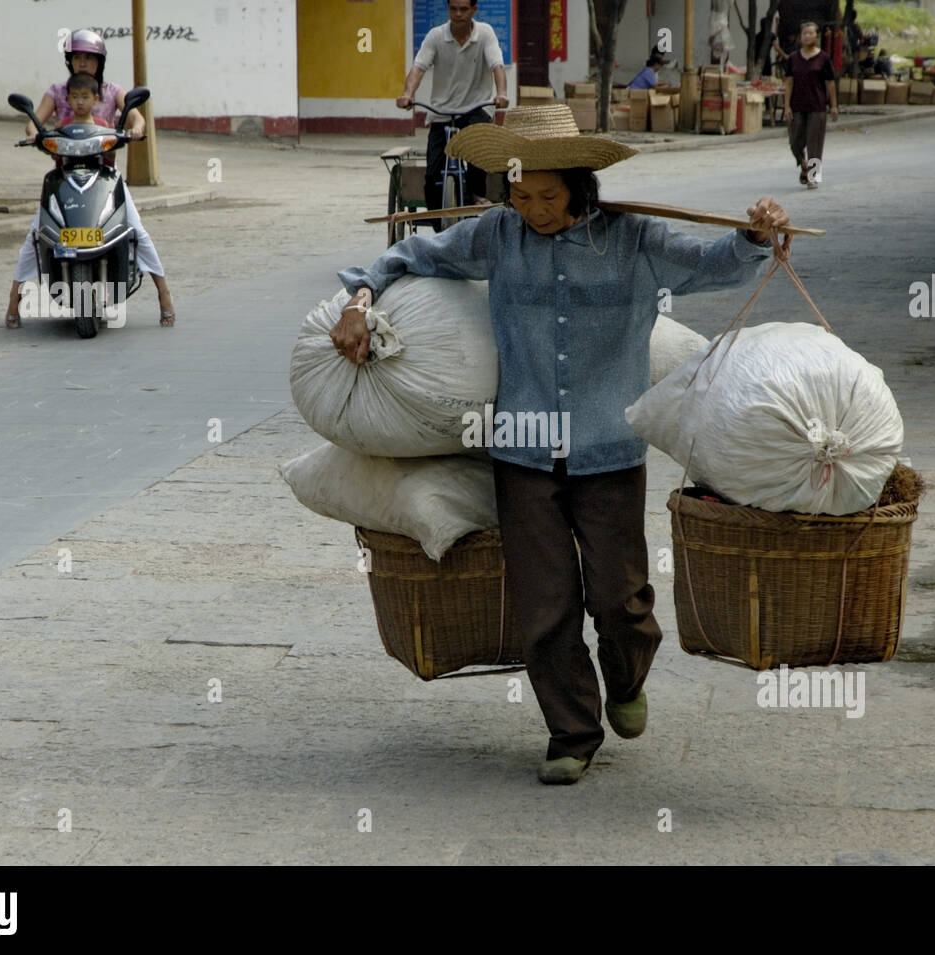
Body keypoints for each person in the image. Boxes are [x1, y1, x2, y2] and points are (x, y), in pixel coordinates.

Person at [329, 105, 792, 785]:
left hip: (608, 449)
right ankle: (571, 731)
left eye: (548, 196)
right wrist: (359, 301)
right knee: (544, 606)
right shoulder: (496, 235)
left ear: (581, 184)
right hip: (521, 452)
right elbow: (407, 253)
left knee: (621, 598)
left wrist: (756, 236)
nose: (534, 209)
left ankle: (627, 678)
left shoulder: (632, 240)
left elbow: (711, 263)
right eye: (520, 194)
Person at [4, 29, 175, 329]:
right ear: (70, 61)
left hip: (105, 176)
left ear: (99, 62)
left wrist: (135, 128)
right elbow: (35, 123)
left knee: (137, 229)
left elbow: (136, 117)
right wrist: (33, 135)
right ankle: (13, 301)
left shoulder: (110, 91)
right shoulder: (59, 91)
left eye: (89, 58)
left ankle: (164, 295)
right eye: (78, 57)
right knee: (36, 233)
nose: (83, 63)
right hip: (64, 175)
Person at [398, 1, 508, 228]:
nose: (458, 14)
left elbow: (497, 65)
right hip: (442, 111)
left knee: (478, 149)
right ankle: (437, 222)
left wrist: (502, 94)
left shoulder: (485, 34)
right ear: (448, 9)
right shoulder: (436, 36)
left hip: (476, 107)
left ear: (474, 10)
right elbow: (418, 68)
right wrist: (408, 94)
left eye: (464, 9)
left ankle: (477, 194)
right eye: (453, 9)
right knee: (432, 172)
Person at [783, 22, 838, 191]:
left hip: (817, 107)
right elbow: (789, 83)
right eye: (804, 33)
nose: (807, 36)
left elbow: (830, 84)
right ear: (801, 36)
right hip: (797, 106)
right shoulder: (793, 58)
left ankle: (813, 177)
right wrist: (786, 106)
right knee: (794, 142)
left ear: (817, 36)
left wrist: (833, 106)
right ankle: (804, 164)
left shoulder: (824, 59)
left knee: (815, 144)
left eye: (810, 33)